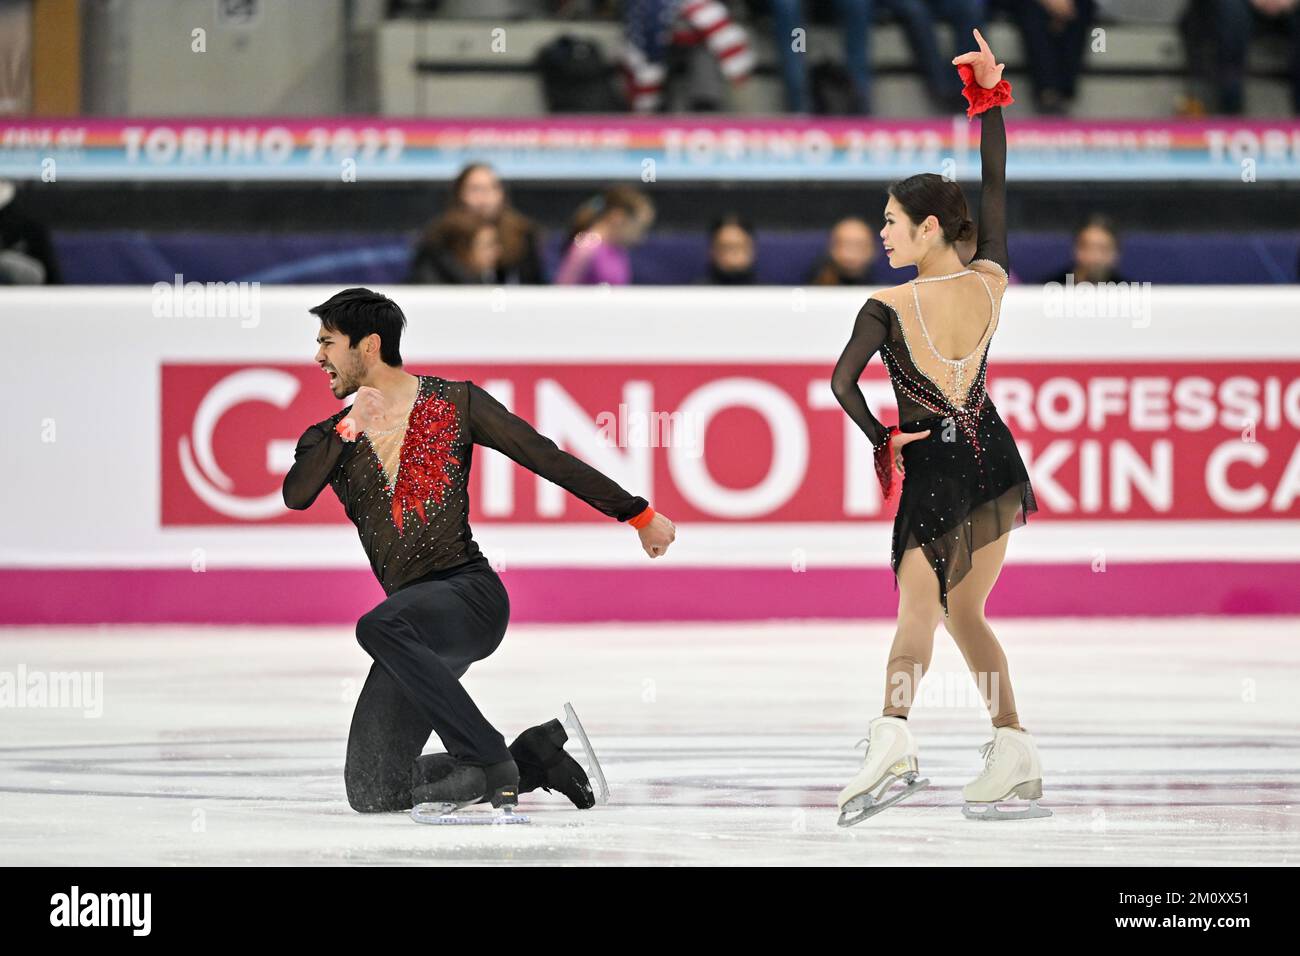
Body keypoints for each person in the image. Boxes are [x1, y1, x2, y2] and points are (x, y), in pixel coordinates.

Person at [282, 288, 677, 815]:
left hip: (468, 598)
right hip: (414, 632)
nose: (318, 357)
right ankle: (532, 759)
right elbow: (296, 493)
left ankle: (488, 760)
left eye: (327, 342)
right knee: (374, 791)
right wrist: (352, 425)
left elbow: (544, 456)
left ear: (369, 346)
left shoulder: (455, 402)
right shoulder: (330, 436)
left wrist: (638, 514)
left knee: (376, 627)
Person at [828, 29, 1048, 825]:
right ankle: (1013, 745)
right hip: (997, 462)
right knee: (969, 615)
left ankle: (891, 737)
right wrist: (989, 102)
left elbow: (841, 383)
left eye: (891, 221)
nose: (882, 233)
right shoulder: (992, 281)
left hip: (938, 471)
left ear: (927, 228)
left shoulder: (885, 307)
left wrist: (880, 437)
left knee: (919, 613)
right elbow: (995, 187)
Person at [554, 186, 655, 285]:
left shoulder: (619, 250)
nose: (641, 238)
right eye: (640, 228)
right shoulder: (587, 247)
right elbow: (562, 290)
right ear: (618, 218)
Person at [407, 207, 502, 285]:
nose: (498, 251)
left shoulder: (479, 279)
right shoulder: (429, 288)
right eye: (488, 246)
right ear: (462, 250)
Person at [1041, 213, 1127, 285]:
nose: (1095, 257)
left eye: (1103, 249)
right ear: (1075, 250)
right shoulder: (1048, 291)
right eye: (1088, 248)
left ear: (1116, 254)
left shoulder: (1130, 294)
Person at [806, 216, 878, 285]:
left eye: (859, 245)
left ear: (873, 250)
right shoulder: (818, 282)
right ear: (831, 248)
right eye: (845, 245)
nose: (851, 253)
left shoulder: (884, 284)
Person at [696, 213, 758, 284]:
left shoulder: (768, 292)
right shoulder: (692, 293)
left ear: (751, 250)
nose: (732, 254)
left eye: (738, 247)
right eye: (725, 247)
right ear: (712, 251)